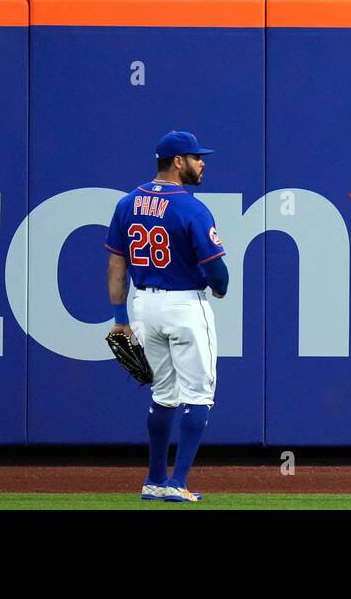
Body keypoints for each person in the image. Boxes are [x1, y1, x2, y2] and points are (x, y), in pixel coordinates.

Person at [105, 130, 229, 503]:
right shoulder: (191, 207)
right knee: (198, 396)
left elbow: (116, 263)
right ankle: (177, 483)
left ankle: (154, 479)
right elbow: (216, 268)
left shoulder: (128, 203)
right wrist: (220, 288)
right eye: (195, 157)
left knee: (163, 394)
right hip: (184, 305)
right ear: (178, 162)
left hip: (143, 306)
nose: (201, 162)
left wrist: (118, 317)